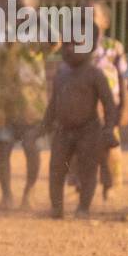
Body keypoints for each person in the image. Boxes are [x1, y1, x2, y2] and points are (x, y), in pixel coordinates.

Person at [0, 0, 53, 209]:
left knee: (32, 148)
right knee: (2, 147)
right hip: (4, 109)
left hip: (32, 110)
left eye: (25, 10)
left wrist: (40, 20)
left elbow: (56, 43)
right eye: (14, 9)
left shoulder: (37, 39)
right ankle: (6, 194)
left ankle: (29, 192)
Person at [44, 38, 118, 218]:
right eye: (67, 45)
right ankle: (57, 208)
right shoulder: (60, 74)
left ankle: (83, 207)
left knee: (88, 170)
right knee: (56, 168)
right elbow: (53, 104)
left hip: (88, 129)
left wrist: (108, 128)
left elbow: (109, 104)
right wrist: (43, 126)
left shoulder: (95, 74)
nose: (69, 49)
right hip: (63, 130)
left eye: (75, 45)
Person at [88, 1, 128, 202]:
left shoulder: (114, 47)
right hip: (85, 109)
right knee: (84, 149)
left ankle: (110, 185)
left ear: (105, 21)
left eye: (92, 15)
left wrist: (125, 108)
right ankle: (83, 184)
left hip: (108, 108)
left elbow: (123, 78)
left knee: (110, 149)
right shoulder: (78, 47)